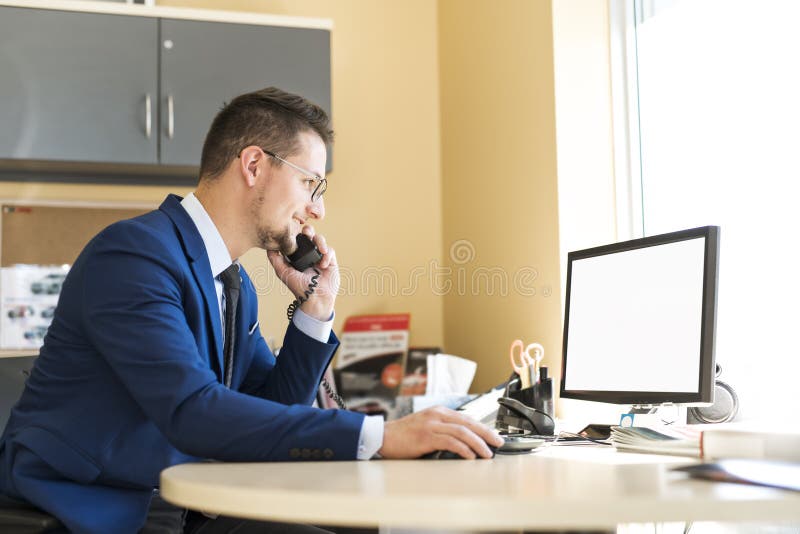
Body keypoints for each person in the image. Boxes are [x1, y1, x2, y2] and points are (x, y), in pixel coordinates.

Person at [0, 87, 503, 534]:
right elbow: (192, 411)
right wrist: (380, 434)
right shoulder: (134, 255)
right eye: (311, 183)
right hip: (97, 509)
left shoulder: (233, 283)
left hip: (179, 503)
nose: (318, 209)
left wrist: (315, 310)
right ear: (254, 164)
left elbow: (274, 405)